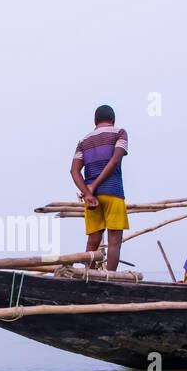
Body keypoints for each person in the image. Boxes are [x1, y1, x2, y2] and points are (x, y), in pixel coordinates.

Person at [71, 105, 129, 271]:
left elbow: (74, 170)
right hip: (113, 192)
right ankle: (110, 279)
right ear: (113, 120)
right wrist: (94, 186)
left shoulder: (84, 141)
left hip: (92, 198)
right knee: (114, 240)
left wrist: (89, 193)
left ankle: (87, 275)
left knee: (93, 239)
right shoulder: (119, 133)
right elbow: (115, 160)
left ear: (95, 121)